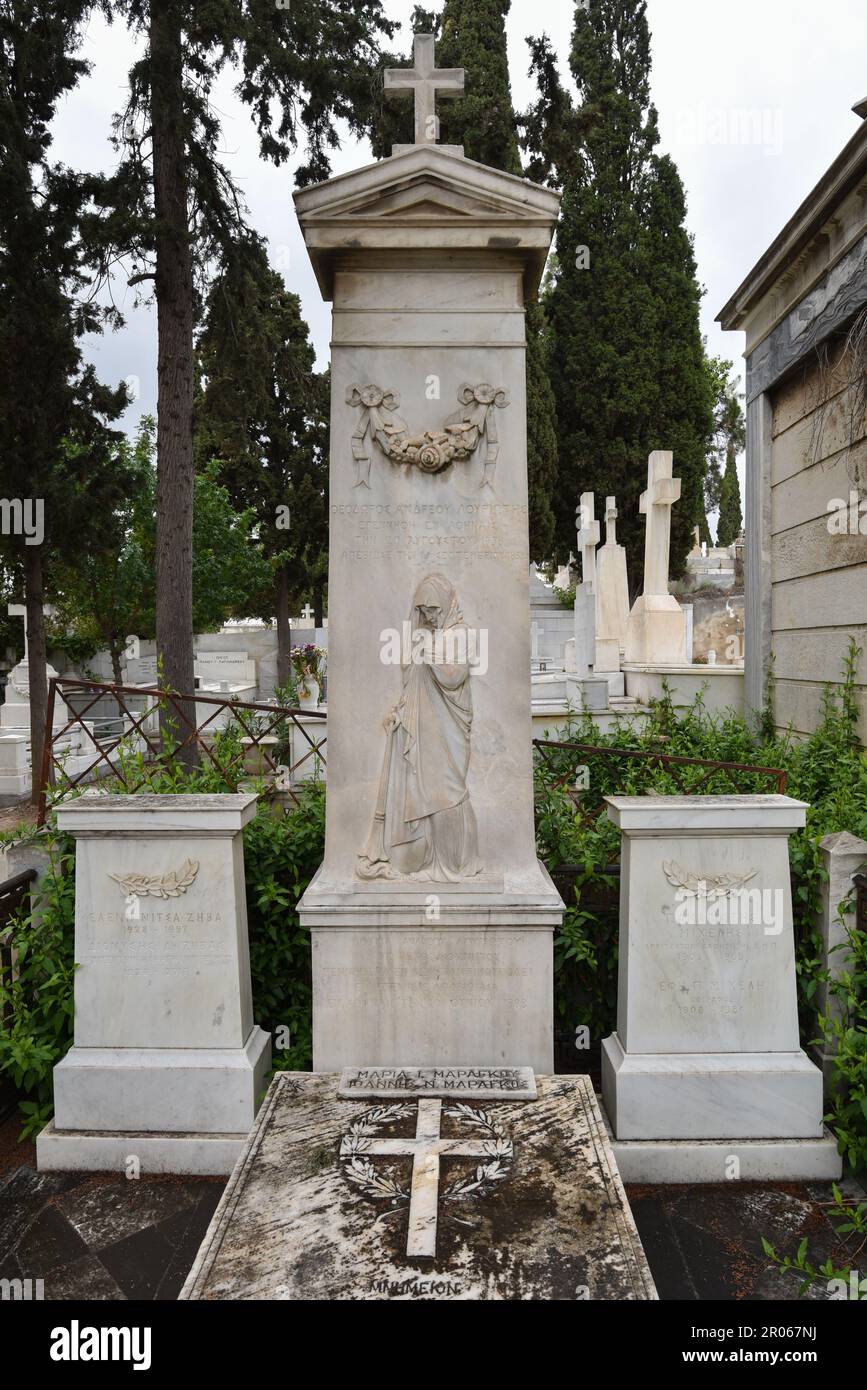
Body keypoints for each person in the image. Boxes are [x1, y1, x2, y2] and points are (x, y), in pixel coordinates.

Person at [357, 573, 480, 882]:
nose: (430, 617)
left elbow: (454, 678)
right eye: (425, 612)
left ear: (449, 604)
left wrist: (427, 655)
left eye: (435, 610)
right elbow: (413, 687)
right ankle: (430, 863)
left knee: (448, 791)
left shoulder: (462, 634)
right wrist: (398, 712)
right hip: (422, 729)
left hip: (449, 729)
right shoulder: (425, 638)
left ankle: (458, 864)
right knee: (427, 795)